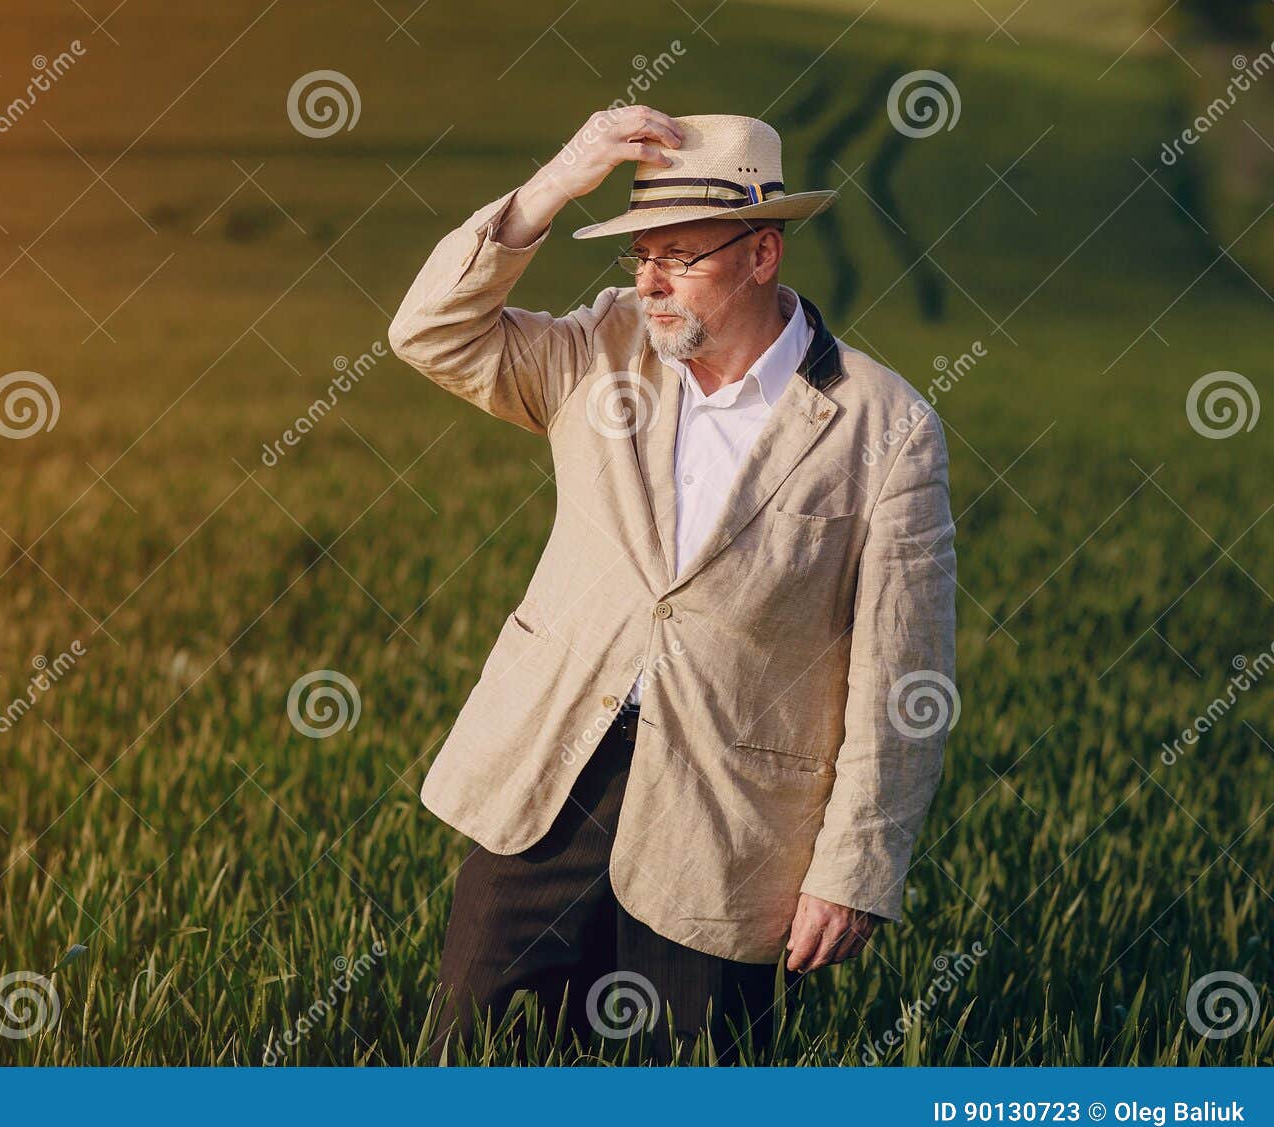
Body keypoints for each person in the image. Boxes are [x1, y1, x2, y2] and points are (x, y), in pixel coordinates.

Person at [388, 109, 957, 1065]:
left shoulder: (883, 427)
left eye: (679, 256)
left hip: (728, 808)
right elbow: (429, 331)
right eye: (639, 254)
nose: (648, 281)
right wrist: (556, 181)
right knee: (472, 1053)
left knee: (693, 1075)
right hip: (554, 765)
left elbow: (904, 675)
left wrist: (856, 867)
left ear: (762, 254)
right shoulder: (598, 349)